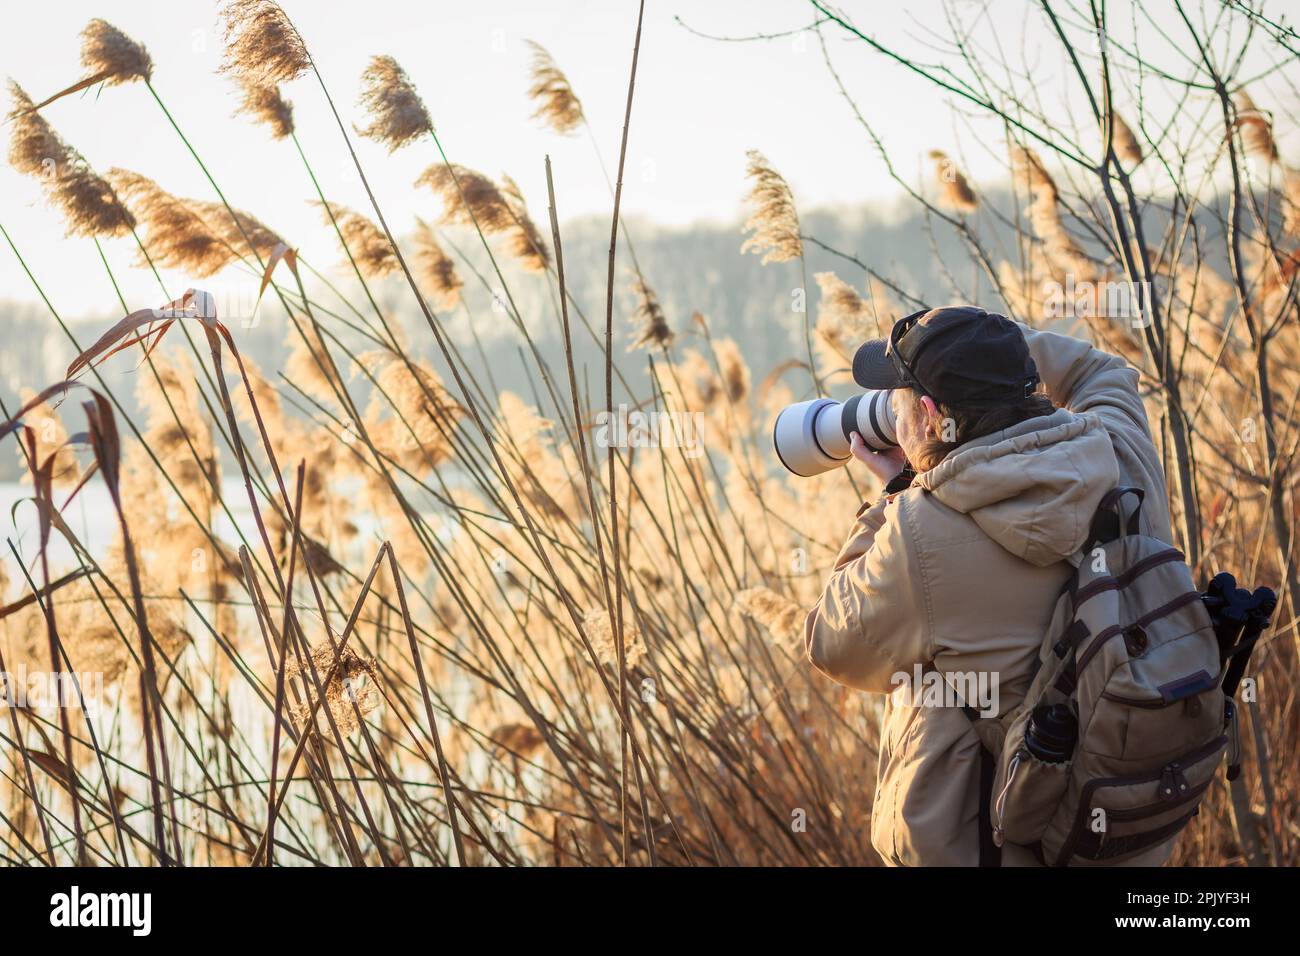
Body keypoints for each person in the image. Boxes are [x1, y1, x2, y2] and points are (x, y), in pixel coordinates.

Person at [804, 305, 1174, 866]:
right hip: (1126, 841)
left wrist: (894, 496)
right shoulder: (1119, 447)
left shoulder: (920, 533)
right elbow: (1105, 371)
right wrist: (984, 344)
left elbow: (831, 641)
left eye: (900, 404)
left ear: (929, 415)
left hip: (1000, 850)